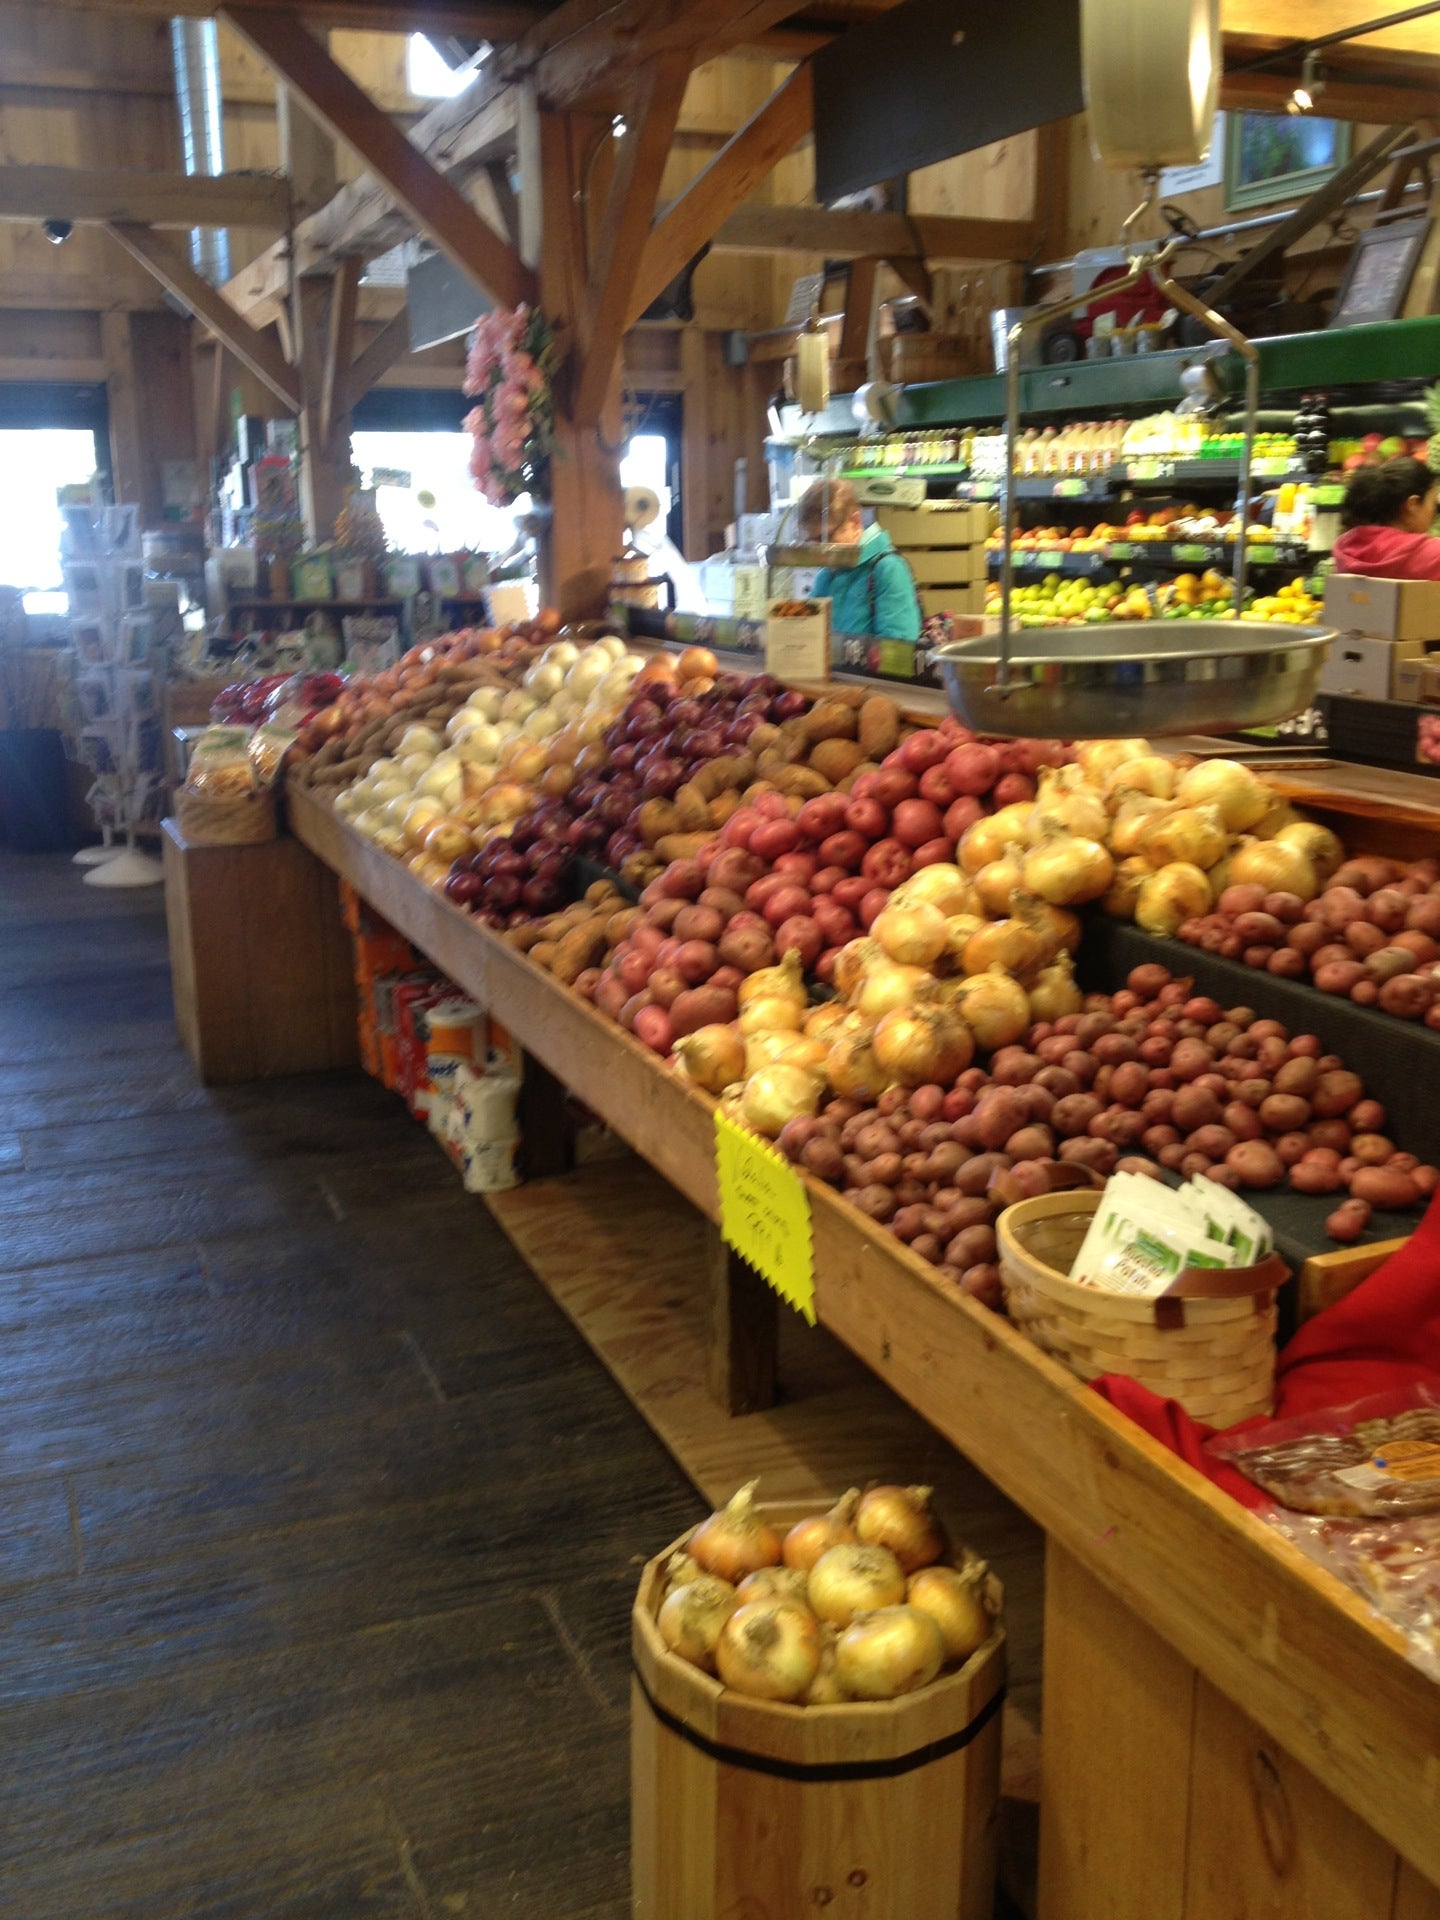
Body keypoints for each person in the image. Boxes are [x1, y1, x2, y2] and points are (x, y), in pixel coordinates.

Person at [797, 478, 922, 640]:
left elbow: (899, 649)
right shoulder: (826, 574)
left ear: (855, 522)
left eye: (825, 538)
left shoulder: (888, 569)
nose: (818, 551)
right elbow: (811, 634)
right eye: (811, 542)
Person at [1332, 457, 1440, 580]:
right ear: (1413, 504)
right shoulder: (1430, 554)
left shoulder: (1345, 546)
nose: (1434, 511)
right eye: (1433, 503)